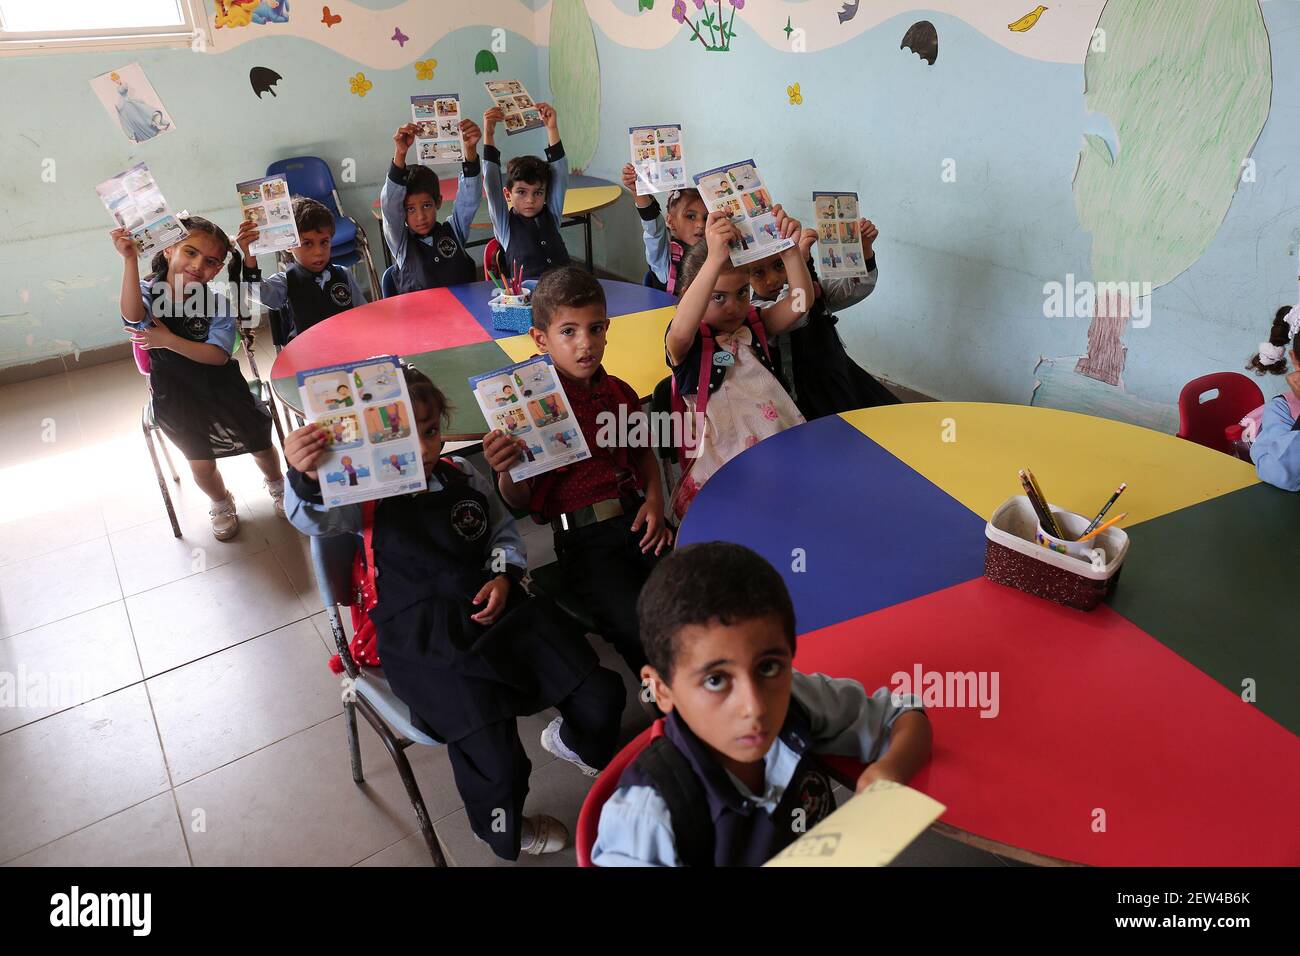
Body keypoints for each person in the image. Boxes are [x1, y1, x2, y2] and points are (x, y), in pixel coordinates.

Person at [283, 365, 626, 859]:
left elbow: (502, 533)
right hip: (424, 641)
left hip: (499, 608)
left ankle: (576, 744)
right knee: (496, 759)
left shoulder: (460, 474)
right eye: (403, 435)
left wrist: (504, 576)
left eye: (430, 431)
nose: (422, 449)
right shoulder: (362, 496)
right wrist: (305, 475)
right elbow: (312, 517)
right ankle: (502, 830)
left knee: (600, 694)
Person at [591, 542, 931, 866]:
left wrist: (890, 771)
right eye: (715, 680)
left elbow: (903, 717)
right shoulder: (647, 820)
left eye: (768, 667)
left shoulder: (796, 699)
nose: (754, 706)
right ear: (662, 690)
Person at [484, 267, 672, 676]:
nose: (585, 344)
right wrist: (506, 471)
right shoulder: (522, 407)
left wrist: (656, 500)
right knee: (639, 631)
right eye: (568, 332)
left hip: (638, 519)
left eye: (595, 328)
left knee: (694, 608)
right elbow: (516, 500)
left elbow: (643, 455)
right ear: (540, 338)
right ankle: (675, 722)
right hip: (584, 541)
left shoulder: (618, 391)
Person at [115, 217, 284, 539]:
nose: (196, 265)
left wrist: (169, 341)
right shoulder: (147, 293)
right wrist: (129, 259)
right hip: (177, 398)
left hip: (224, 389)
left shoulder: (215, 303)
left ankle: (278, 484)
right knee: (202, 465)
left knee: (261, 445)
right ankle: (221, 502)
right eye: (189, 253)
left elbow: (218, 356)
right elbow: (133, 316)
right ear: (168, 250)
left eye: (209, 262)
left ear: (218, 269)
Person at [664, 208, 813, 519]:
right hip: (724, 468)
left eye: (741, 293)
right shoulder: (687, 345)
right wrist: (714, 260)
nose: (734, 306)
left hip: (777, 453)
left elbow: (800, 304)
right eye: (718, 297)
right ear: (692, 294)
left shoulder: (755, 325)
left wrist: (788, 251)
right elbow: (680, 329)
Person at [239, 196, 366, 341]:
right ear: (289, 245)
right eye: (308, 243)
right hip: (305, 357)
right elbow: (254, 291)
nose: (318, 252)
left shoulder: (343, 274)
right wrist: (250, 256)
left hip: (346, 349)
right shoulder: (285, 282)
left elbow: (362, 314)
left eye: (324, 242)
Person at [380, 119, 483, 293]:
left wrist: (470, 150)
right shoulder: (401, 244)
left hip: (462, 316)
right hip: (422, 319)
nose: (420, 217)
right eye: (410, 209)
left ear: (438, 202)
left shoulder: (454, 231)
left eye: (426, 205)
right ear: (402, 211)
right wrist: (400, 153)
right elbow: (390, 207)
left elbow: (469, 198)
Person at [482, 102, 570, 279]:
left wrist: (552, 128)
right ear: (507, 194)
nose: (530, 200)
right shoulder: (504, 225)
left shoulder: (551, 214)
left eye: (537, 193)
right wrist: (489, 134)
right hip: (529, 299)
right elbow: (491, 186)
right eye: (521, 192)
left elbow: (559, 174)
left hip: (565, 292)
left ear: (546, 193)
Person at [620, 165, 706, 295]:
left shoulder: (715, 251)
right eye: (691, 216)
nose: (701, 224)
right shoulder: (665, 258)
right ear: (671, 222)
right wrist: (637, 190)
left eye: (706, 218)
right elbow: (654, 228)